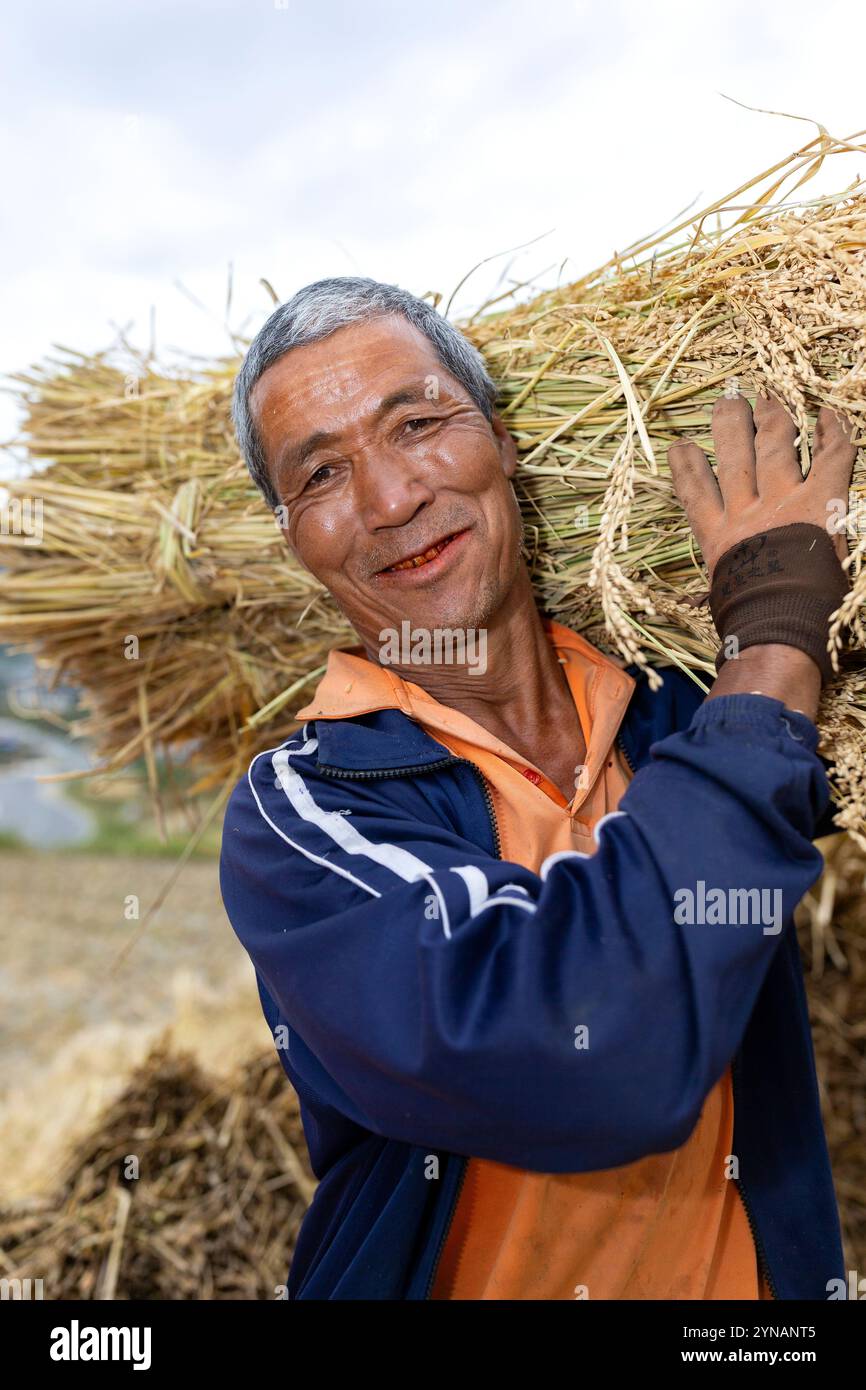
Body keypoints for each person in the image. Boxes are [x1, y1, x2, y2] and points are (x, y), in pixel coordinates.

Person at [219, 276, 854, 1300]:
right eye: (323, 474)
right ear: (293, 536)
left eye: (418, 423)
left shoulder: (674, 707)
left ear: (500, 439)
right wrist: (774, 631)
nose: (390, 500)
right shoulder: (305, 817)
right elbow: (586, 1050)